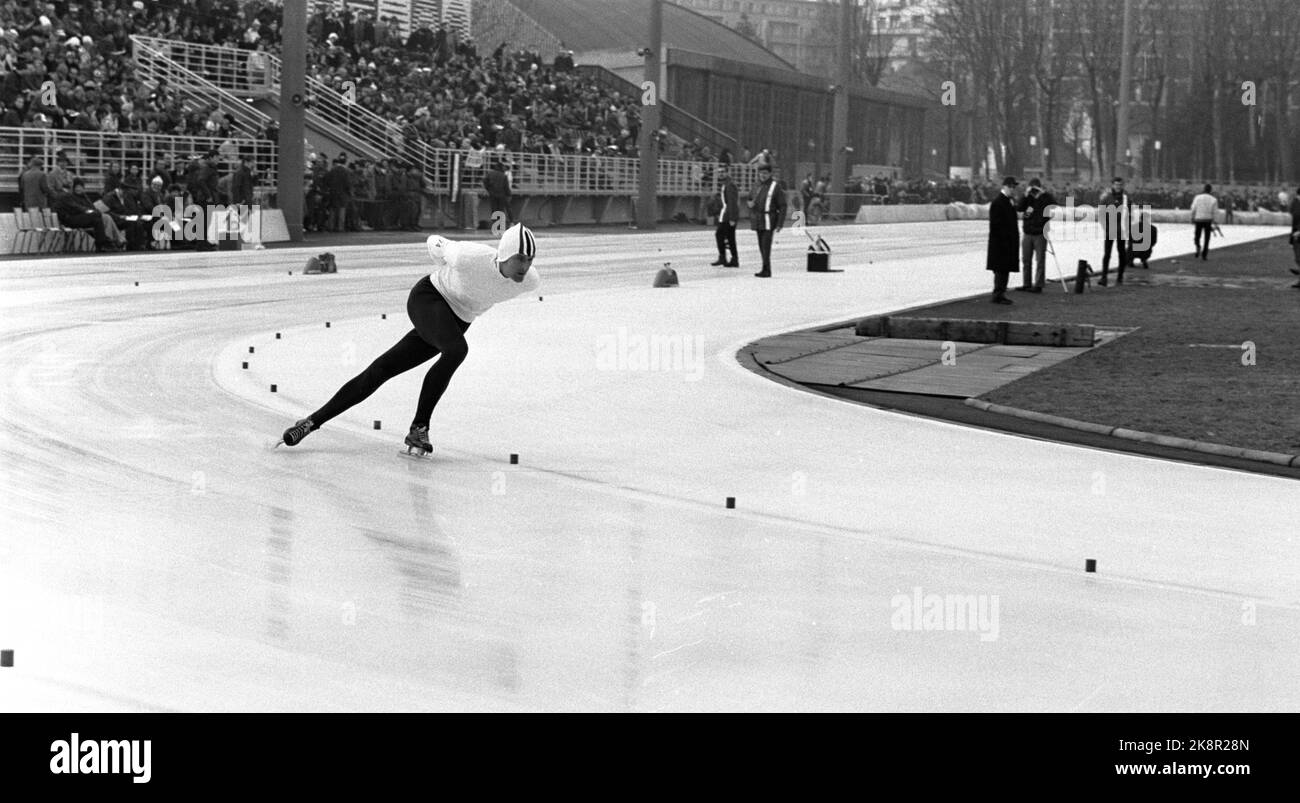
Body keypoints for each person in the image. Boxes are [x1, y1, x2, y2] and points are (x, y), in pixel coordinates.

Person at [279, 224, 541, 454]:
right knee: (456, 351)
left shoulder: (529, 281)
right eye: (520, 258)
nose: (525, 266)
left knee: (382, 369)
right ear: (505, 253)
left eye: (529, 259)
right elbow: (434, 242)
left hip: (455, 321)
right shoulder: (469, 257)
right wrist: (446, 266)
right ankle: (419, 427)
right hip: (430, 299)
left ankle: (310, 422)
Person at [1015, 178, 1055, 292]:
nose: (1034, 191)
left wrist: (1042, 194)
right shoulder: (1028, 199)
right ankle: (1026, 283)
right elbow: (1019, 208)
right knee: (1026, 260)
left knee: (1040, 260)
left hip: (1040, 233)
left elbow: (1053, 204)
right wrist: (1025, 195)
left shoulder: (1045, 198)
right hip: (1028, 232)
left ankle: (1038, 285)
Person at [748, 162, 786, 277]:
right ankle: (764, 267)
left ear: (770, 174)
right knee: (761, 244)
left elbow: (783, 205)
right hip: (758, 219)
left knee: (766, 245)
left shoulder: (776, 186)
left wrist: (780, 223)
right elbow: (750, 198)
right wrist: (749, 204)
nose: (762, 175)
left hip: (769, 219)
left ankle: (767, 269)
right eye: (761, 173)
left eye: (765, 173)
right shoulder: (756, 185)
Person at [987, 176, 1019, 304]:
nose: (1013, 189)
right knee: (1001, 269)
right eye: (1010, 187)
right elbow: (996, 225)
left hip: (1005, 242)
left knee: (1003, 269)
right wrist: (1005, 239)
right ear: (1004, 186)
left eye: (1013, 187)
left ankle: (1000, 293)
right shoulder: (999, 202)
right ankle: (998, 294)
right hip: (1001, 243)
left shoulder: (1007, 201)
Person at [1098, 177, 1133, 286]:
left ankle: (1120, 276)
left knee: (1121, 253)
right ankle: (1104, 277)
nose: (1118, 187)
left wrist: (1127, 229)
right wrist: (1106, 228)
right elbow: (1102, 215)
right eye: (1116, 185)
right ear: (1112, 185)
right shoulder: (1106, 198)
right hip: (1110, 230)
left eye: (1120, 185)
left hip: (1121, 231)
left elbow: (1130, 215)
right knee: (1107, 254)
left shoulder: (1126, 199)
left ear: (1122, 186)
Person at [712, 166, 739, 267]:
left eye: (723, 172)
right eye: (719, 172)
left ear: (728, 172)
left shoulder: (729, 185)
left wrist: (732, 218)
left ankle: (724, 257)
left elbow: (732, 202)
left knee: (720, 235)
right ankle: (732, 258)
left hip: (728, 215)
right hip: (726, 214)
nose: (721, 174)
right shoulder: (725, 184)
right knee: (729, 237)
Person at [1190, 183, 1218, 261]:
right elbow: (1215, 212)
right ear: (1210, 190)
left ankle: (1198, 245)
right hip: (1208, 220)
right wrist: (1215, 221)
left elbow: (1193, 208)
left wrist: (1192, 217)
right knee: (1207, 238)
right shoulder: (1214, 199)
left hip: (1198, 219)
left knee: (1197, 236)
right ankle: (1204, 254)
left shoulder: (1197, 198)